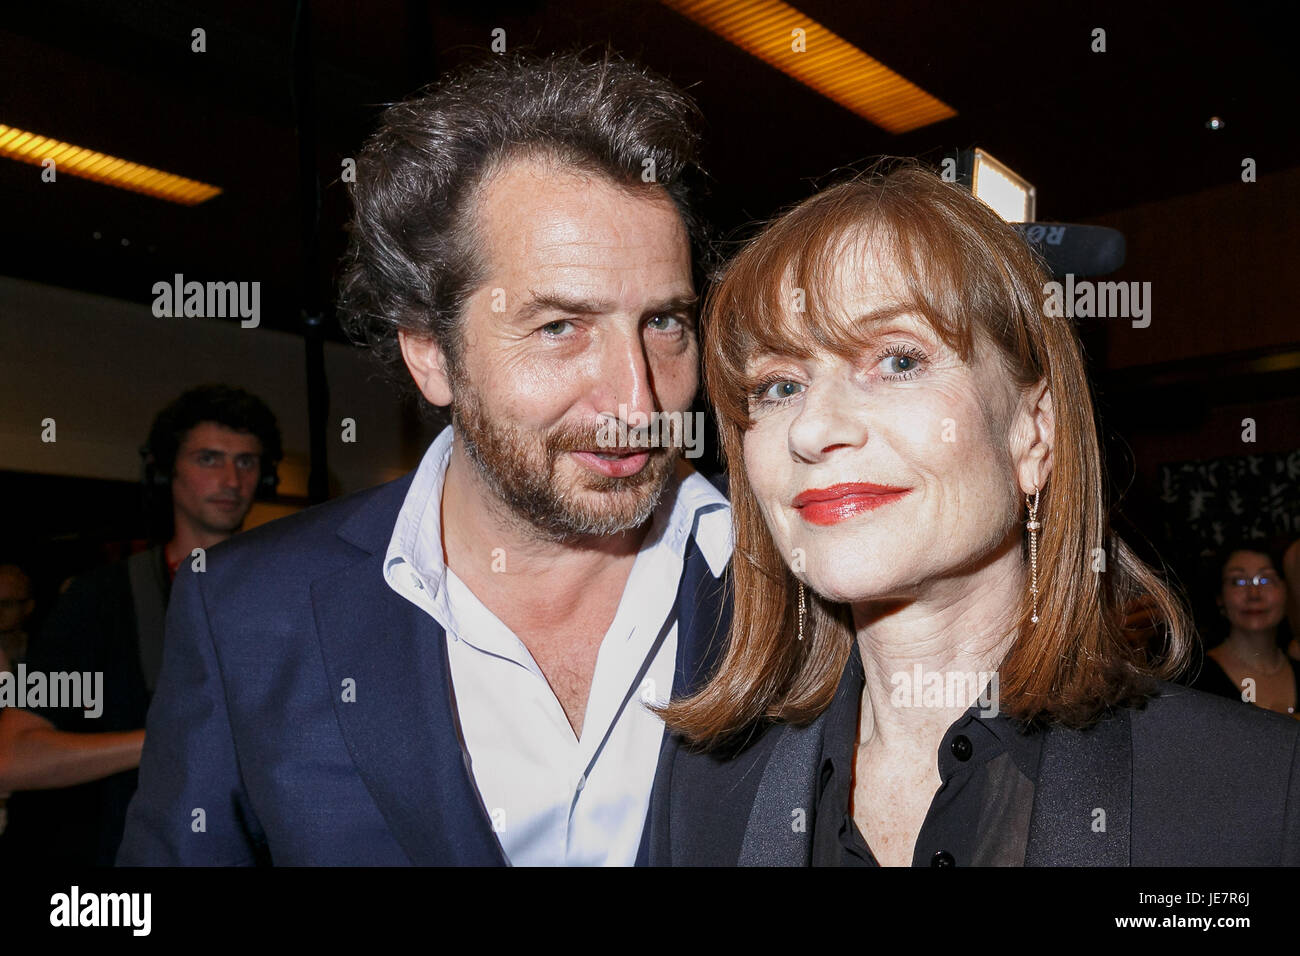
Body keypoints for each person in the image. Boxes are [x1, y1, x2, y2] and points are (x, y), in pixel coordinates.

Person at [118, 52, 731, 867]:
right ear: (431, 355)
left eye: (664, 323)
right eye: (559, 327)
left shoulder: (794, 580)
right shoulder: (248, 614)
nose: (638, 404)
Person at [647, 163, 1300, 866]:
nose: (811, 428)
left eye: (898, 360)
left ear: (1034, 432)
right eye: (780, 385)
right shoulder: (702, 783)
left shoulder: (1256, 798)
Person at [0, 385, 280, 866]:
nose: (232, 479)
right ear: (166, 469)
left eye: (247, 462)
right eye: (209, 459)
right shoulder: (99, 599)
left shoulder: (284, 592)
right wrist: (169, 739)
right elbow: (12, 757)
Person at [1192, 544, 1296, 716]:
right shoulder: (1196, 678)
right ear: (1220, 598)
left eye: (1265, 579)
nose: (1254, 594)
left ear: (1287, 591)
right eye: (1238, 581)